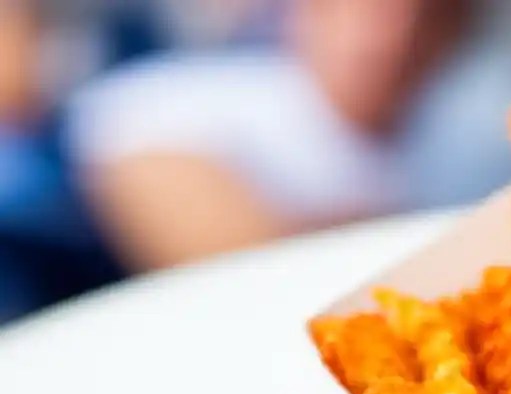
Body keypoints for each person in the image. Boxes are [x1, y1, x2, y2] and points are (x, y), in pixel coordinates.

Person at [68, 0, 478, 271]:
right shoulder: (200, 100)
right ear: (300, 14)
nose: (389, 38)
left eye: (426, 16)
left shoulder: (461, 153)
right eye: (359, 10)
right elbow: (230, 273)